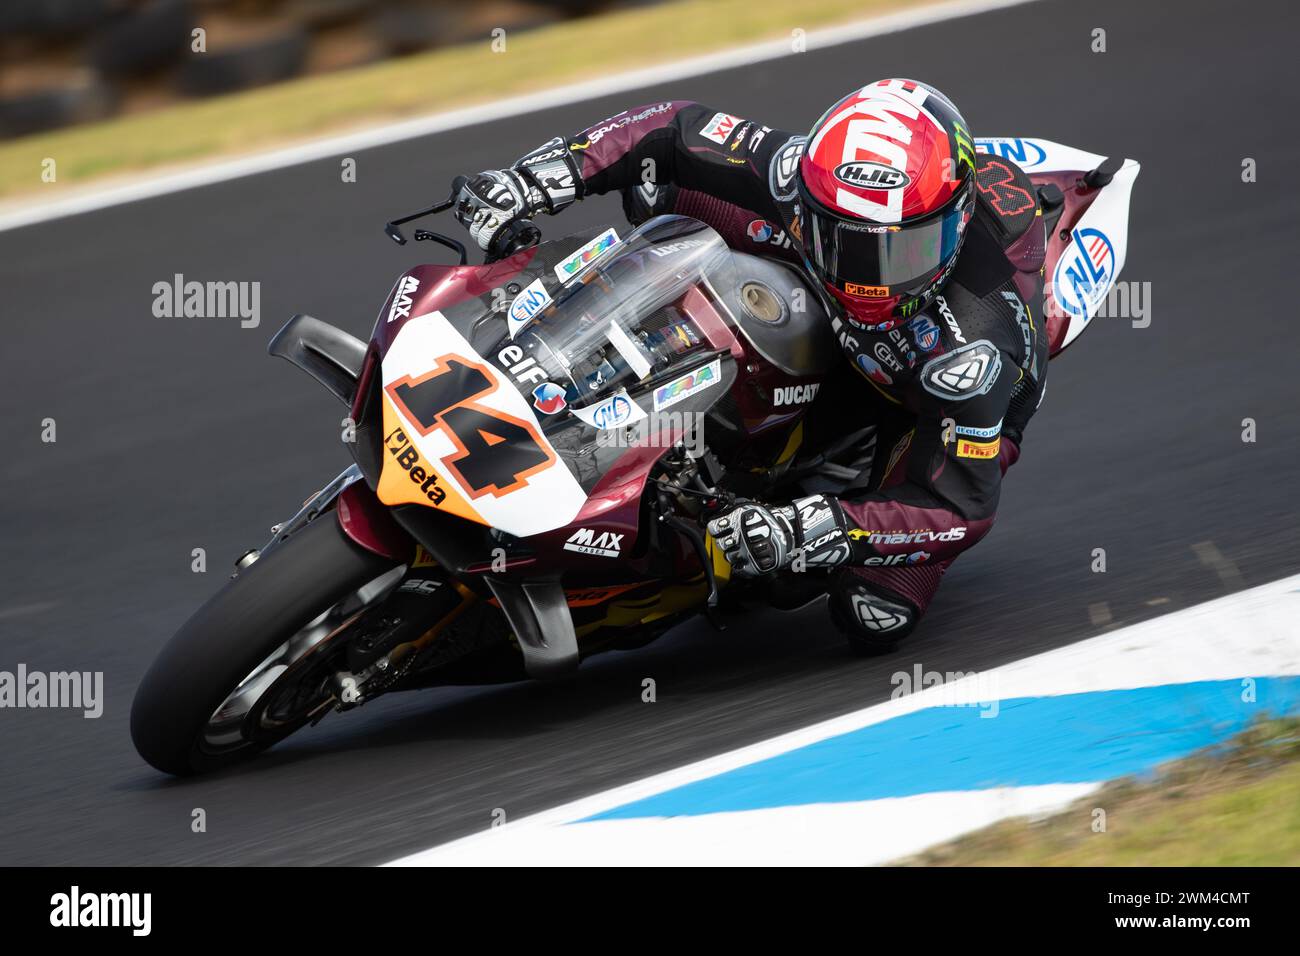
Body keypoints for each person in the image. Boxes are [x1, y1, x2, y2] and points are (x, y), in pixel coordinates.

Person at [454, 79, 1047, 651]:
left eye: (899, 251)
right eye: (846, 241)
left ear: (956, 224)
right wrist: (536, 178)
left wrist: (820, 530)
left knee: (873, 611)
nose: (866, 277)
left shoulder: (975, 348)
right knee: (660, 192)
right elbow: (670, 128)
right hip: (808, 282)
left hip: (916, 401)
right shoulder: (793, 173)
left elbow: (960, 508)